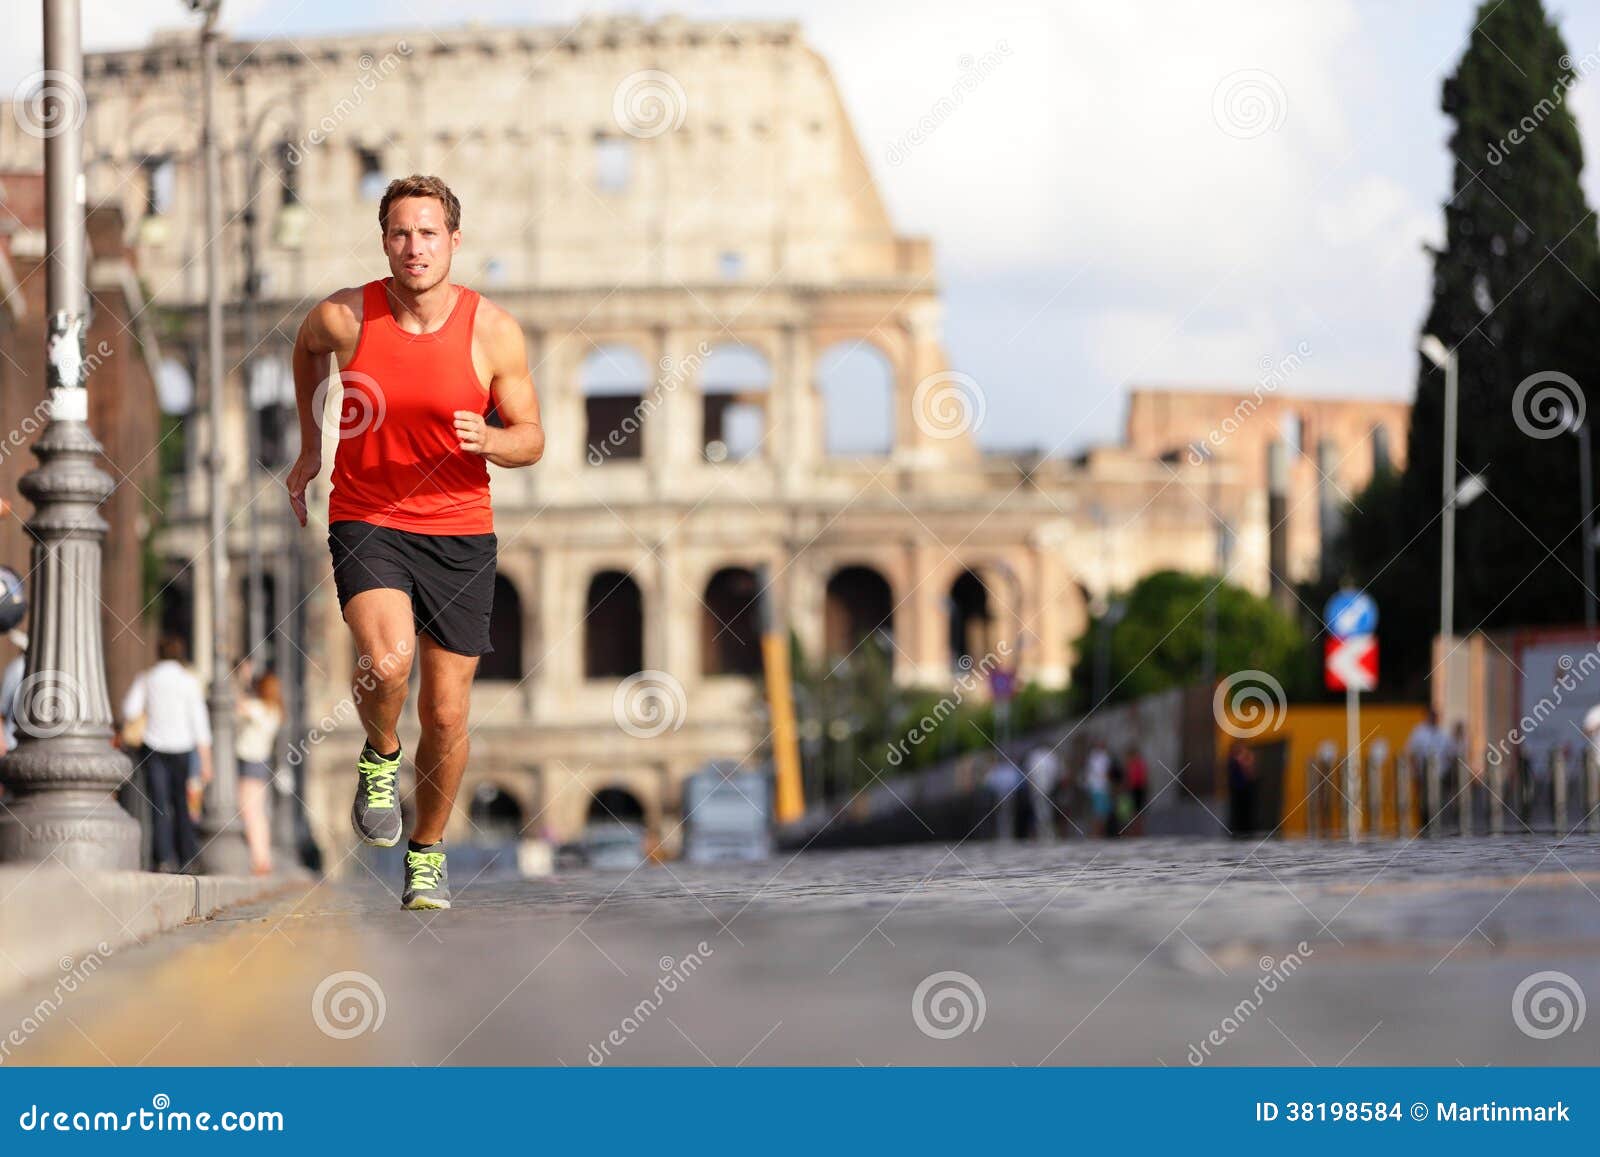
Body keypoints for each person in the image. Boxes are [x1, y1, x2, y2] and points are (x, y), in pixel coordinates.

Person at [285, 174, 545, 910]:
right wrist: (311, 447)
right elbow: (306, 351)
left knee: (448, 714)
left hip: (459, 530)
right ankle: (380, 753)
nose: (414, 247)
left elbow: (533, 437)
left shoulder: (492, 330)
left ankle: (427, 849)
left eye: (428, 233)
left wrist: (492, 438)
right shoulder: (346, 316)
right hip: (368, 515)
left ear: (454, 242)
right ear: (385, 241)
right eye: (401, 233)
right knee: (386, 659)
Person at [122, 635, 212, 872]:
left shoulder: (147, 678)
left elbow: (129, 709)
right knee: (181, 803)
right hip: (182, 747)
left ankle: (162, 858)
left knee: (159, 804)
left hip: (153, 748)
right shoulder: (188, 681)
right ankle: (187, 857)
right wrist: (206, 761)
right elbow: (200, 723)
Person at [235, 666, 284, 876]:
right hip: (262, 762)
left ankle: (259, 859)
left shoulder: (258, 708)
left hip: (249, 762)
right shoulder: (275, 711)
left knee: (249, 812)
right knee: (259, 814)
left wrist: (243, 680)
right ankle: (263, 857)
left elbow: (237, 706)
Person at [1023, 744, 1062, 841]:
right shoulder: (1046, 756)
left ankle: (1046, 832)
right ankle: (1044, 832)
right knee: (1042, 811)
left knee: (1044, 811)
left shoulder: (1037, 756)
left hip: (1045, 788)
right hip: (1042, 788)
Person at [1226, 740, 1257, 837]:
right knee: (1238, 812)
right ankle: (1239, 831)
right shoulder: (1233, 761)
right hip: (1237, 790)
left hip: (1245, 789)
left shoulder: (1241, 760)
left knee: (1245, 812)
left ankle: (1245, 830)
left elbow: (1250, 773)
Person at [1083, 741, 1113, 837]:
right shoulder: (1097, 757)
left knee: (1102, 813)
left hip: (1101, 788)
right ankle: (1096, 834)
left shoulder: (1100, 757)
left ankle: (1099, 834)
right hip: (1098, 788)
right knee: (1098, 813)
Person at [1122, 745, 1149, 835]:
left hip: (1138, 789)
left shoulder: (1139, 764)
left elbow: (1143, 778)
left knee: (1137, 813)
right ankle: (1133, 832)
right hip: (1133, 790)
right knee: (1131, 813)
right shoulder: (1130, 764)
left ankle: (1137, 832)